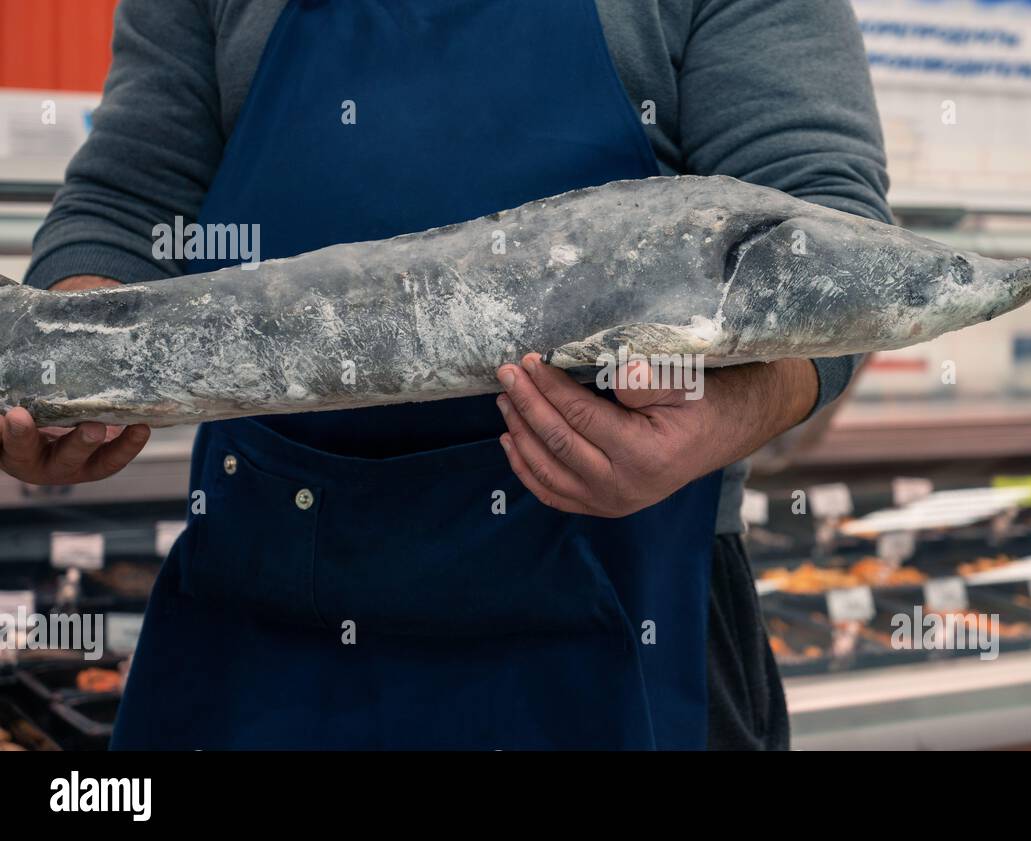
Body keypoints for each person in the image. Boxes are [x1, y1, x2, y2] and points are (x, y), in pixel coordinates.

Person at [1, 0, 890, 750]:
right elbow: (124, 202)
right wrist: (71, 367)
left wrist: (727, 412)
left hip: (616, 611)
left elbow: (831, 241)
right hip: (265, 605)